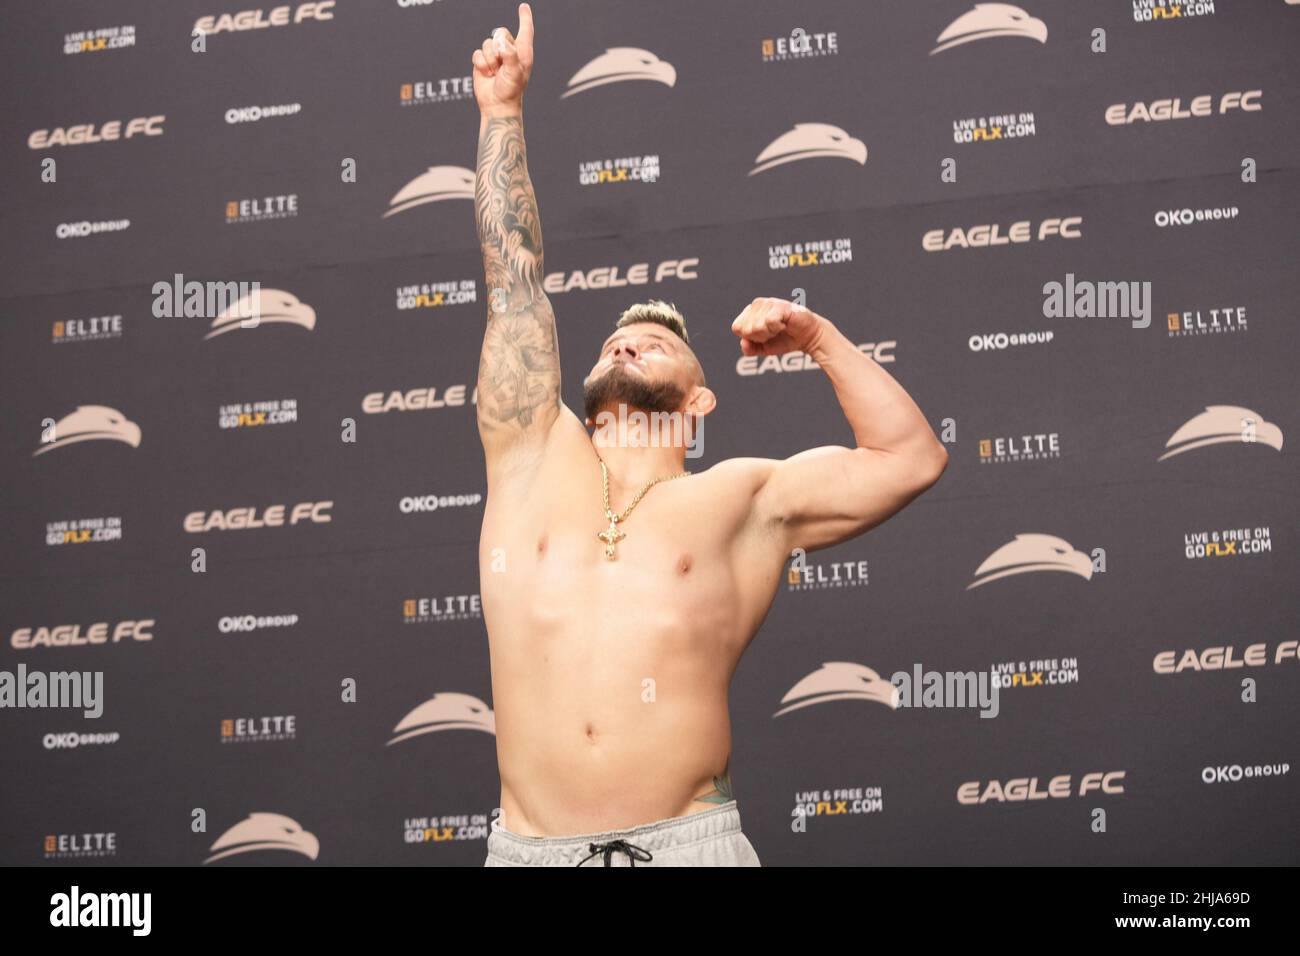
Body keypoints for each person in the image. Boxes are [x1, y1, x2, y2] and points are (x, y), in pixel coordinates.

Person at [472, 3, 948, 867]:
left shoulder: (743, 499)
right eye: (616, 337)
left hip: (690, 849)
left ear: (699, 404)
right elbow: (514, 284)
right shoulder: (531, 451)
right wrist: (502, 114)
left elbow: (910, 457)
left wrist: (814, 337)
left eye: (657, 344)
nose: (625, 340)